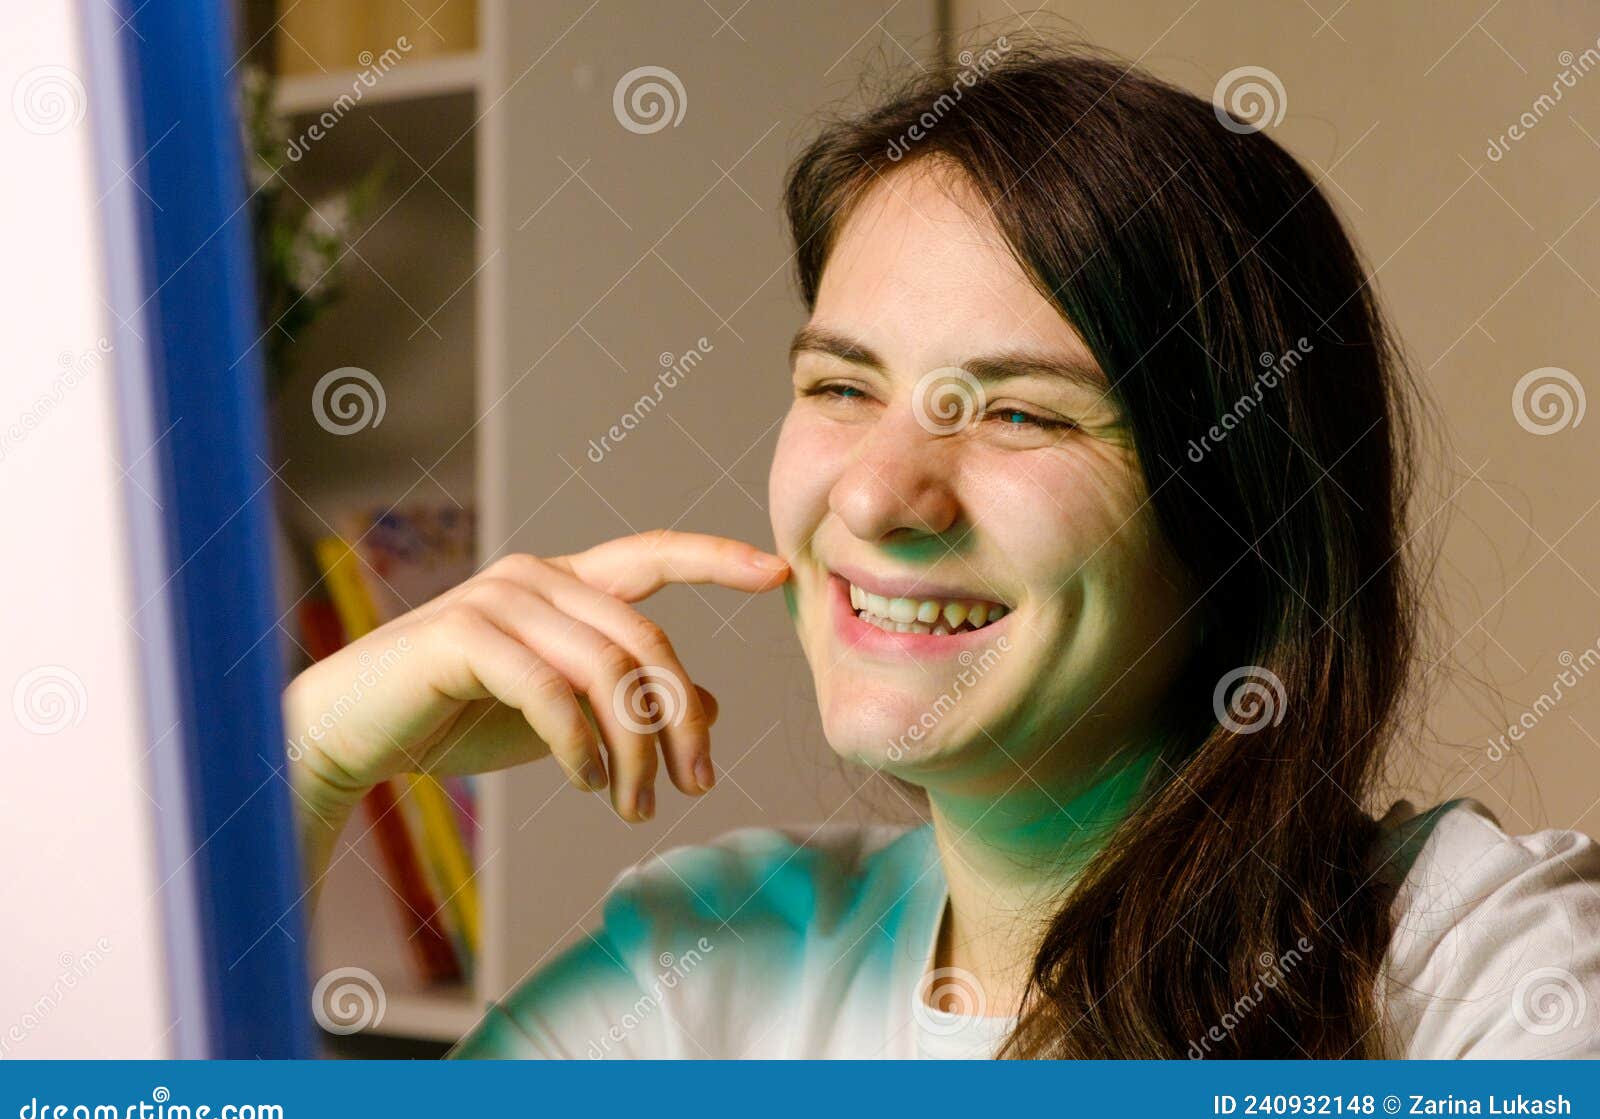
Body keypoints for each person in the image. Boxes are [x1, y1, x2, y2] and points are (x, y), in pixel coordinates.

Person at [284, 40, 1600, 1059]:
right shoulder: (703, 965)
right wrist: (305, 762)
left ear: (1244, 508)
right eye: (843, 387)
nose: (876, 496)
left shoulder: (1475, 959)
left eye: (1020, 411)